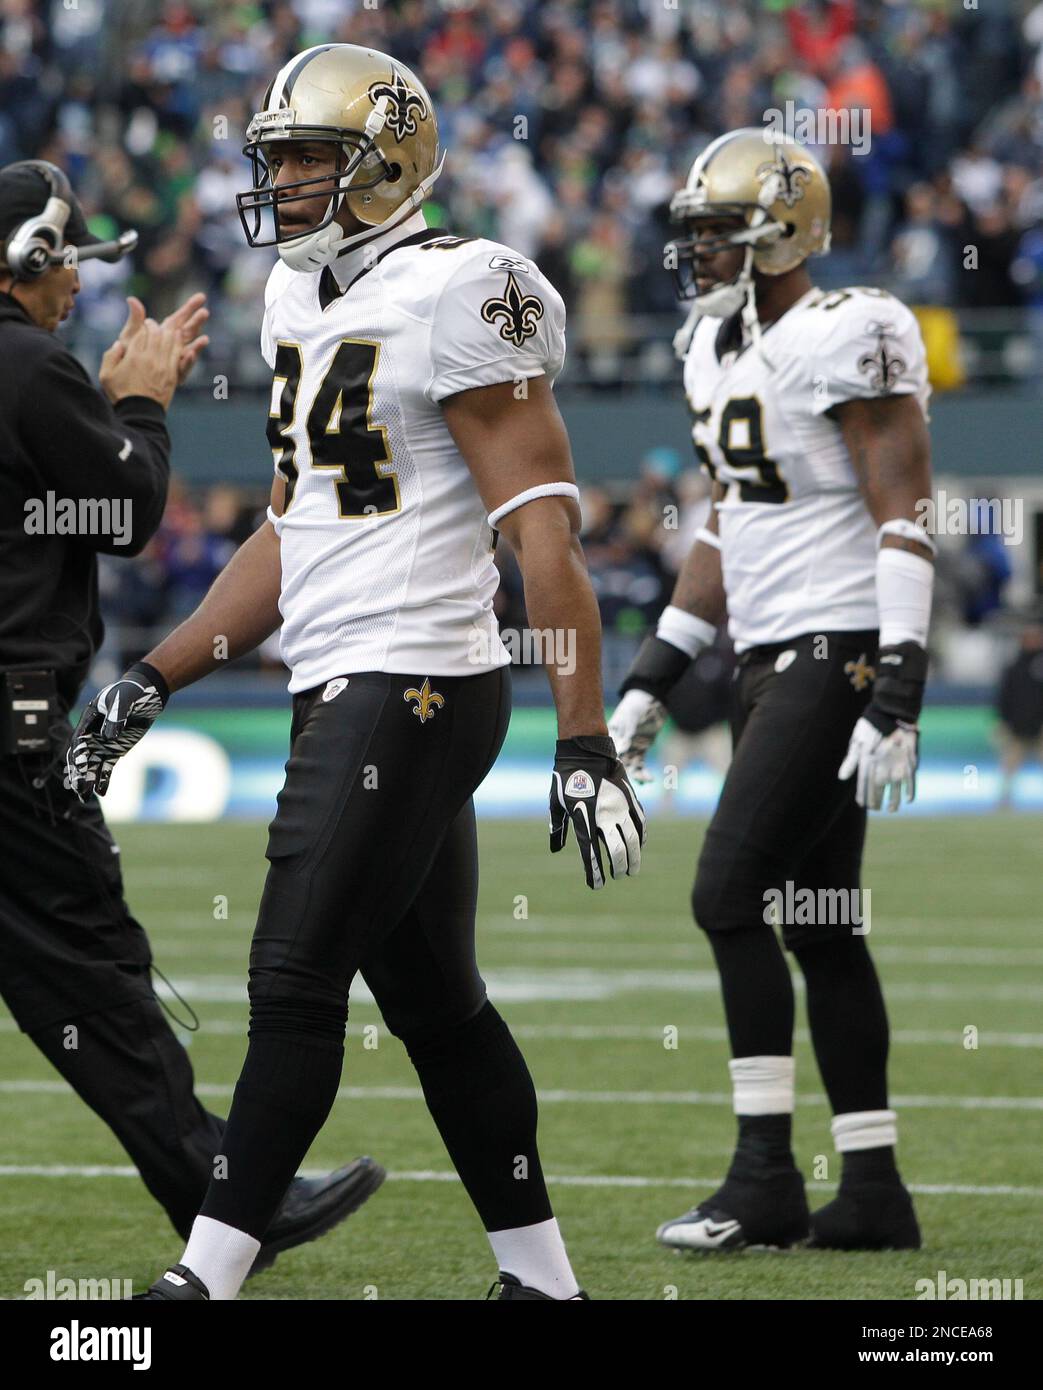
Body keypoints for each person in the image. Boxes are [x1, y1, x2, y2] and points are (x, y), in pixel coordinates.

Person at [69, 44, 645, 1302]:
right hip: (349, 677)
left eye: (308, 158)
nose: (279, 182)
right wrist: (153, 678)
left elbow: (541, 525)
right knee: (438, 1005)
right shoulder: (297, 298)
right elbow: (293, 527)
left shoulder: (464, 286)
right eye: (271, 159)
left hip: (419, 675)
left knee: (289, 974)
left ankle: (201, 1281)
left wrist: (585, 734)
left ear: (386, 160)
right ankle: (543, 1283)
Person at [0, 158, 382, 1273]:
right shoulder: (25, 366)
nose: (76, 282)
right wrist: (138, 402)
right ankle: (227, 1208)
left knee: (74, 987)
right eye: (66, 259)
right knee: (95, 978)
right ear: (26, 258)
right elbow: (124, 512)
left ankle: (218, 1195)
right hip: (13, 732)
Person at [610, 129, 934, 1252]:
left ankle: (762, 1175)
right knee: (820, 923)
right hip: (761, 657)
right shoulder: (712, 351)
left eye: (716, 229)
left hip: (836, 647)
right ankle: (874, 1192)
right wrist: (652, 673)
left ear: (782, 227)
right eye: (691, 230)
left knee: (725, 892)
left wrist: (899, 680)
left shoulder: (851, 330)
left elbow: (903, 502)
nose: (694, 250)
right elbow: (723, 526)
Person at [996, 623, 1043, 807]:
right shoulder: (1014, 668)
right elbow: (1004, 697)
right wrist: (1004, 721)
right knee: (1009, 766)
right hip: (1016, 727)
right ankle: (1005, 801)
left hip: (1040, 726)